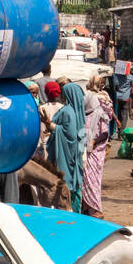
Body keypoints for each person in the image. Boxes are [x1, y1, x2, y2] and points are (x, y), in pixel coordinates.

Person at [47, 81, 87, 212]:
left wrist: (51, 126)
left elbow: (69, 135)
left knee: (67, 186)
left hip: (67, 156)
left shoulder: (68, 112)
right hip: (76, 155)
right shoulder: (78, 112)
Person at [81, 79, 114, 217]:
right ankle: (86, 207)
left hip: (94, 153)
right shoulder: (84, 114)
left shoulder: (99, 113)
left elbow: (105, 132)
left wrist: (94, 142)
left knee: (92, 180)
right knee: (84, 180)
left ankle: (95, 208)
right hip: (85, 152)